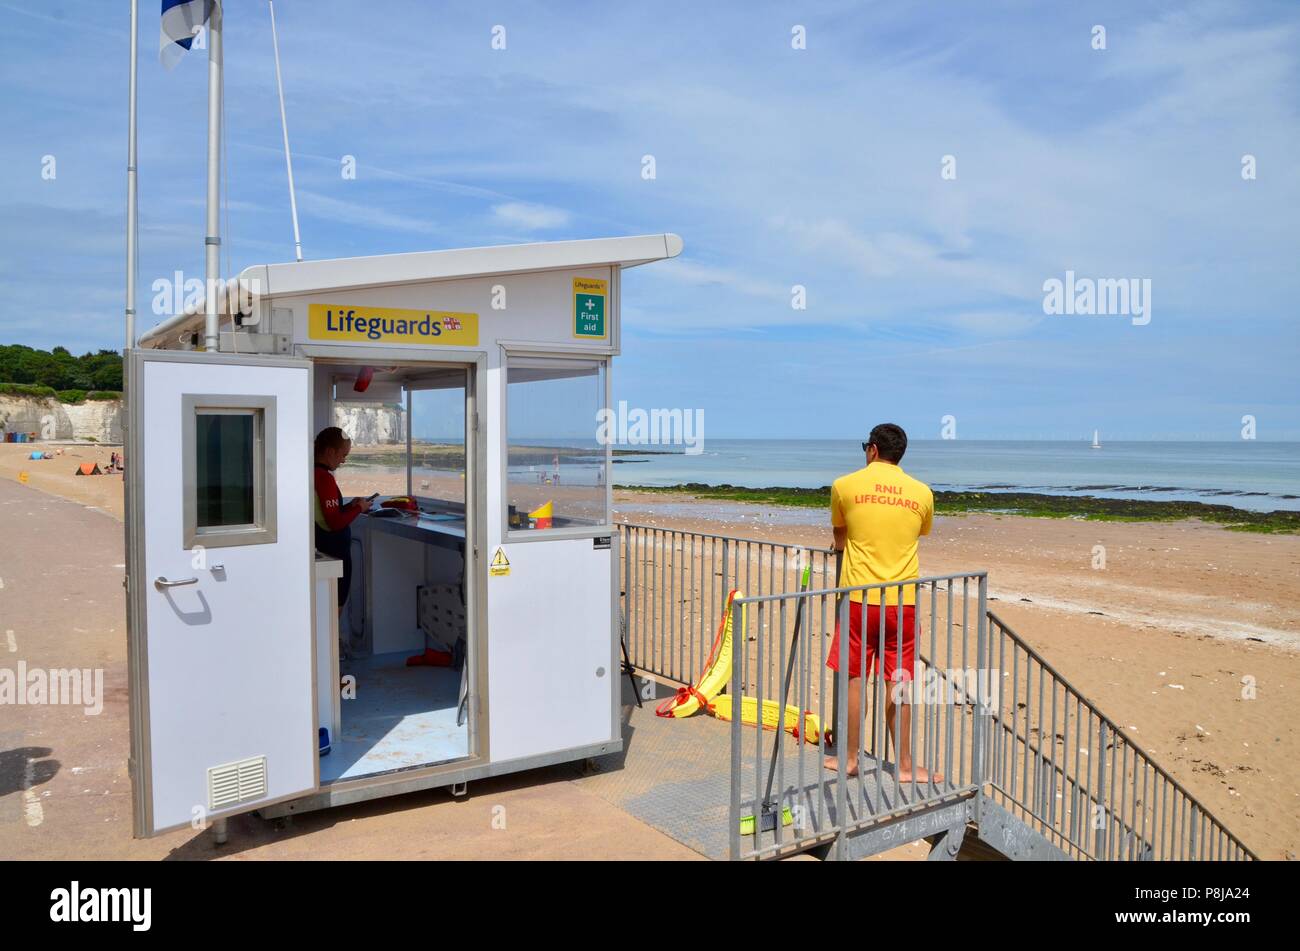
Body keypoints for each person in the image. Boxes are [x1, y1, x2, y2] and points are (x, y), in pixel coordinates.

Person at [824, 423, 938, 782]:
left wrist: (840, 548)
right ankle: (903, 765)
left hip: (859, 598)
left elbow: (840, 531)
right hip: (902, 602)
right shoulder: (922, 492)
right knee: (898, 681)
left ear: (872, 449)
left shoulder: (845, 485)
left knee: (855, 680)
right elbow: (919, 532)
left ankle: (850, 759)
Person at [313, 427, 367, 614]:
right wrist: (359, 509)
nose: (343, 460)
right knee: (333, 613)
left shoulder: (311, 473)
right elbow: (334, 523)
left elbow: (327, 513)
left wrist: (350, 506)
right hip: (335, 553)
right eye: (343, 455)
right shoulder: (324, 478)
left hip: (325, 549)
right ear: (330, 452)